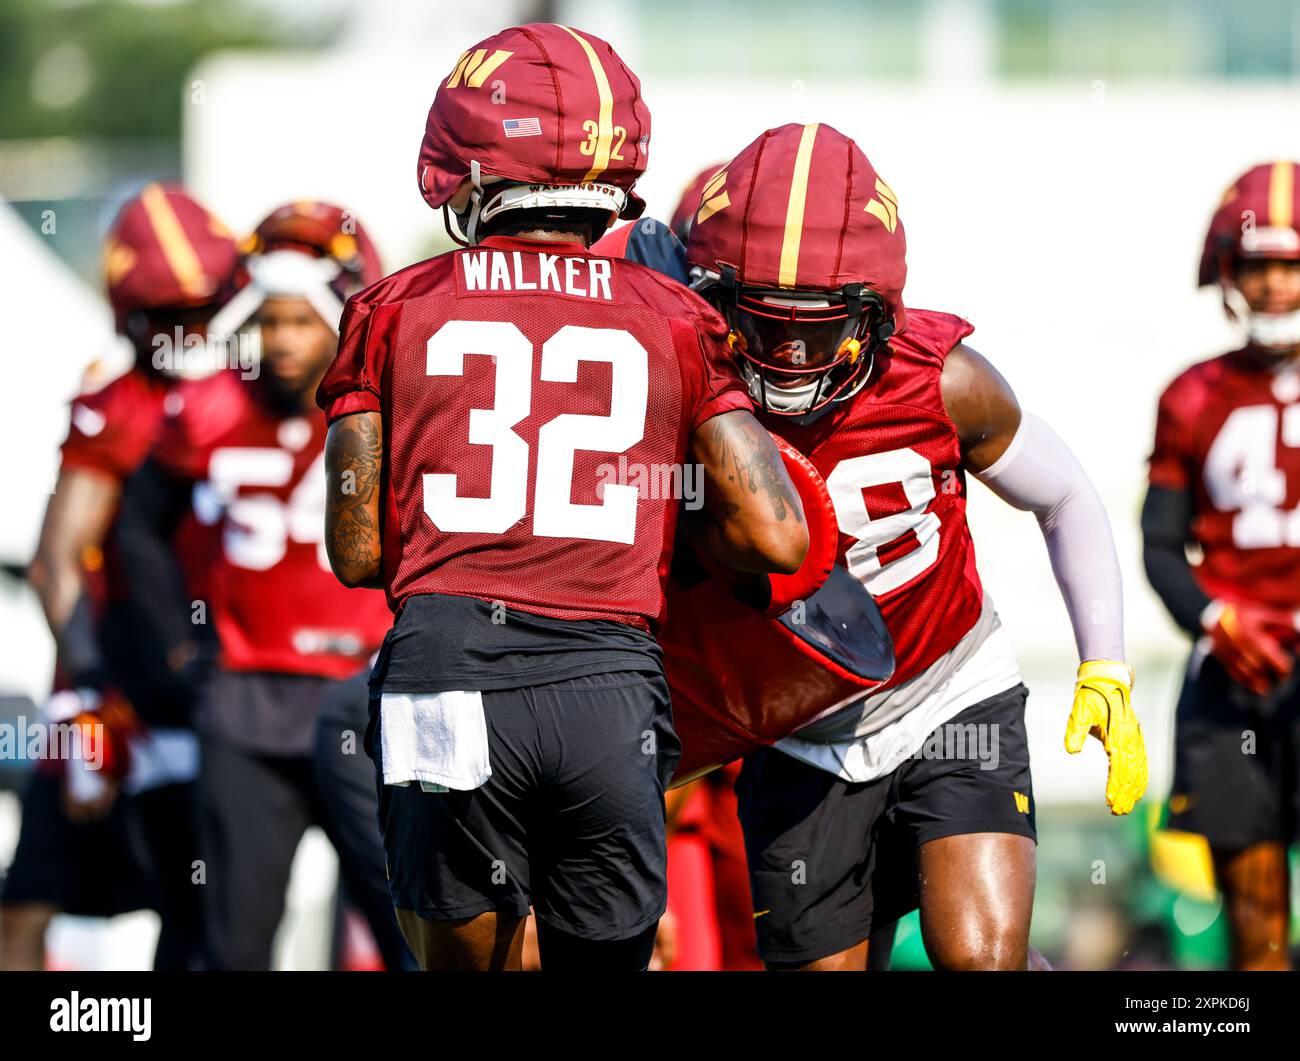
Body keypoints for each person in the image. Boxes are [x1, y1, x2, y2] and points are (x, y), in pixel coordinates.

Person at [318, 23, 809, 972]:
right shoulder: (676, 316)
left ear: (466, 164)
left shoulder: (394, 305)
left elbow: (358, 549)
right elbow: (776, 533)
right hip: (606, 684)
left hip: (444, 668)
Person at [671, 123, 1148, 970]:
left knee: (980, 960)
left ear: (873, 311)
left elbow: (1066, 492)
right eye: (763, 321)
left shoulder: (945, 380)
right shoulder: (677, 380)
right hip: (795, 729)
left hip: (947, 691)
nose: (786, 353)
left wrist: (1103, 663)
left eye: (815, 328)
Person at [115, 201, 395, 970]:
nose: (281, 342)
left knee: (410, 933)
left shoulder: (390, 408)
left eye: (301, 322)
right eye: (268, 322)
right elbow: (136, 526)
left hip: (364, 701)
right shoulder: (208, 407)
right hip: (246, 706)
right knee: (233, 946)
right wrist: (177, 647)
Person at [3, 184, 238, 971]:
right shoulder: (120, 403)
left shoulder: (261, 398)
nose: (189, 335)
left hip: (226, 689)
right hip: (118, 693)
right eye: (170, 317)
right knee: (30, 900)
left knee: (208, 910)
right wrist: (87, 694)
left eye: (202, 312)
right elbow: (56, 559)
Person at [1143, 161, 1300, 970]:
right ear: (1229, 272)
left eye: (1292, 264)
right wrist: (1213, 616)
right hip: (1236, 665)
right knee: (1257, 917)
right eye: (1259, 264)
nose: (1275, 284)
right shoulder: (1193, 394)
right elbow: (1162, 547)